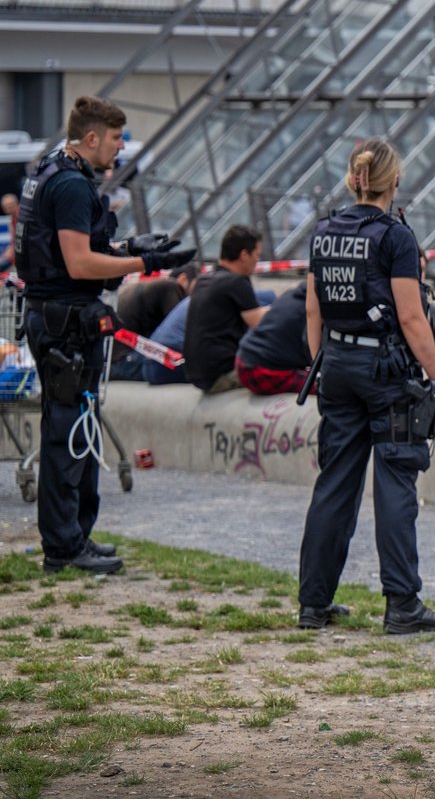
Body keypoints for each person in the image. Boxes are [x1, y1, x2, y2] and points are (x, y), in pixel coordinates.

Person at [14, 96, 194, 575]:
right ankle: (65, 547)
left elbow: (71, 251)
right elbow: (78, 263)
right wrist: (145, 263)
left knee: (76, 426)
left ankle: (76, 538)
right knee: (68, 433)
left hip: (55, 313)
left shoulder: (49, 170)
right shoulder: (72, 184)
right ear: (91, 138)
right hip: (65, 320)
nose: (120, 149)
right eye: (116, 139)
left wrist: (129, 246)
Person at [296, 137, 435, 635]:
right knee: (395, 483)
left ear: (354, 178)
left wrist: (325, 363)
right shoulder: (396, 237)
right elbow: (411, 316)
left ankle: (313, 604)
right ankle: (402, 604)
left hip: (337, 365)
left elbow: (312, 308)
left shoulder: (324, 230)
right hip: (387, 374)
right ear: (395, 183)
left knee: (334, 485)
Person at [183, 226, 267, 392]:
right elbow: (260, 322)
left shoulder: (204, 280)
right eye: (257, 255)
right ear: (244, 255)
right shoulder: (235, 282)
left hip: (198, 375)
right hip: (221, 374)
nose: (258, 261)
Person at [110, 260, 198, 381]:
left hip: (113, 363)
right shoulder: (171, 288)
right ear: (183, 279)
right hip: (127, 362)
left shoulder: (147, 287)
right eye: (197, 286)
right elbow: (176, 338)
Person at [235, 283, 313, 395]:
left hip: (243, 361)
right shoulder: (312, 309)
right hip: (264, 371)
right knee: (330, 388)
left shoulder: (291, 295)